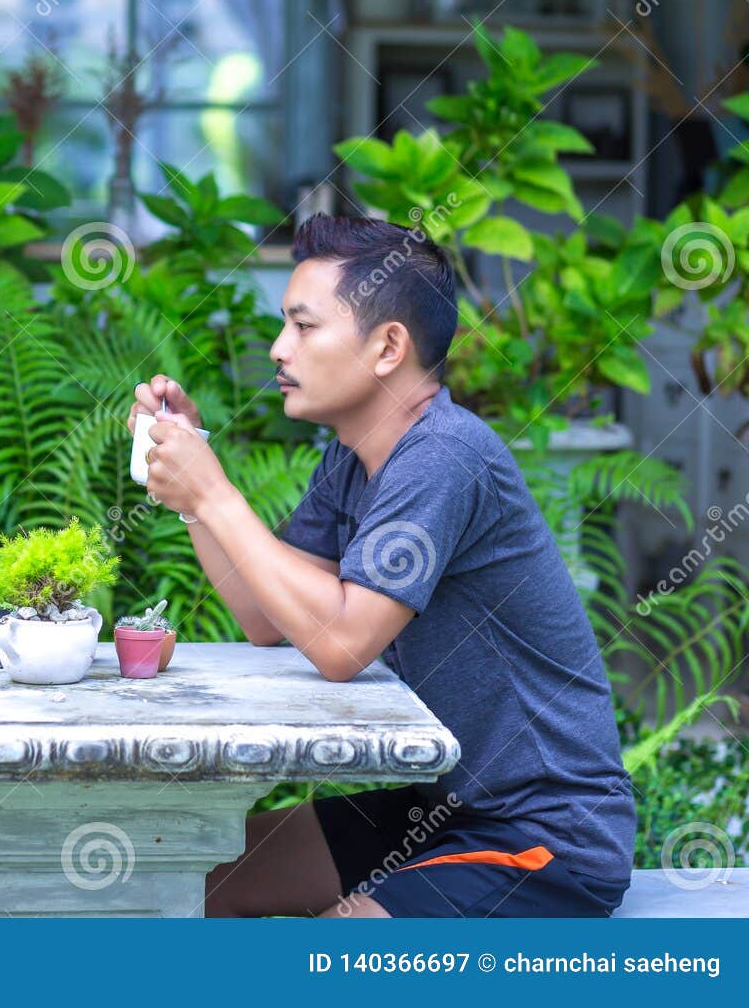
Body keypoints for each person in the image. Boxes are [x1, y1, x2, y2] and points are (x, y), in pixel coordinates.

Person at [127, 213, 636, 918]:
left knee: (337, 956)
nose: (279, 348)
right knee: (191, 882)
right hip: (435, 806)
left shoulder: (444, 456)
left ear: (388, 346)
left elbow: (339, 642)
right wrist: (193, 488)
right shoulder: (354, 456)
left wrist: (213, 487)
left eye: (304, 327)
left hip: (548, 836)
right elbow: (262, 614)